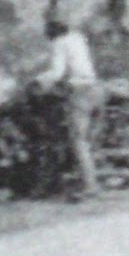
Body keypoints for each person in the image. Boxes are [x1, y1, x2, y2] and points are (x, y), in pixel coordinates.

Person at [36, 18, 102, 199]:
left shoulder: (59, 43)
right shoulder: (78, 39)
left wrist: (38, 80)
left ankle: (90, 186)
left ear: (52, 34)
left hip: (79, 92)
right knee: (88, 138)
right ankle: (90, 179)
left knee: (78, 141)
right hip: (95, 89)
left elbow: (57, 72)